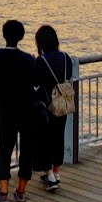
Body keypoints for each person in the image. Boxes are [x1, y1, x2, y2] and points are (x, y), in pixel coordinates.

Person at [0, 20, 36, 202]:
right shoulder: (28, 59)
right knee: (27, 148)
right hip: (27, 108)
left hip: (7, 108)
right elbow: (34, 79)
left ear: (3, 35)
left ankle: (3, 191)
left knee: (5, 148)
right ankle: (21, 191)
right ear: (21, 37)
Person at [33, 25, 71, 192]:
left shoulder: (41, 61)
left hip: (46, 106)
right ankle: (56, 172)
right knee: (58, 137)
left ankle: (49, 175)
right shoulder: (65, 57)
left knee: (44, 139)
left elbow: (35, 82)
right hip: (62, 103)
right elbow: (67, 75)